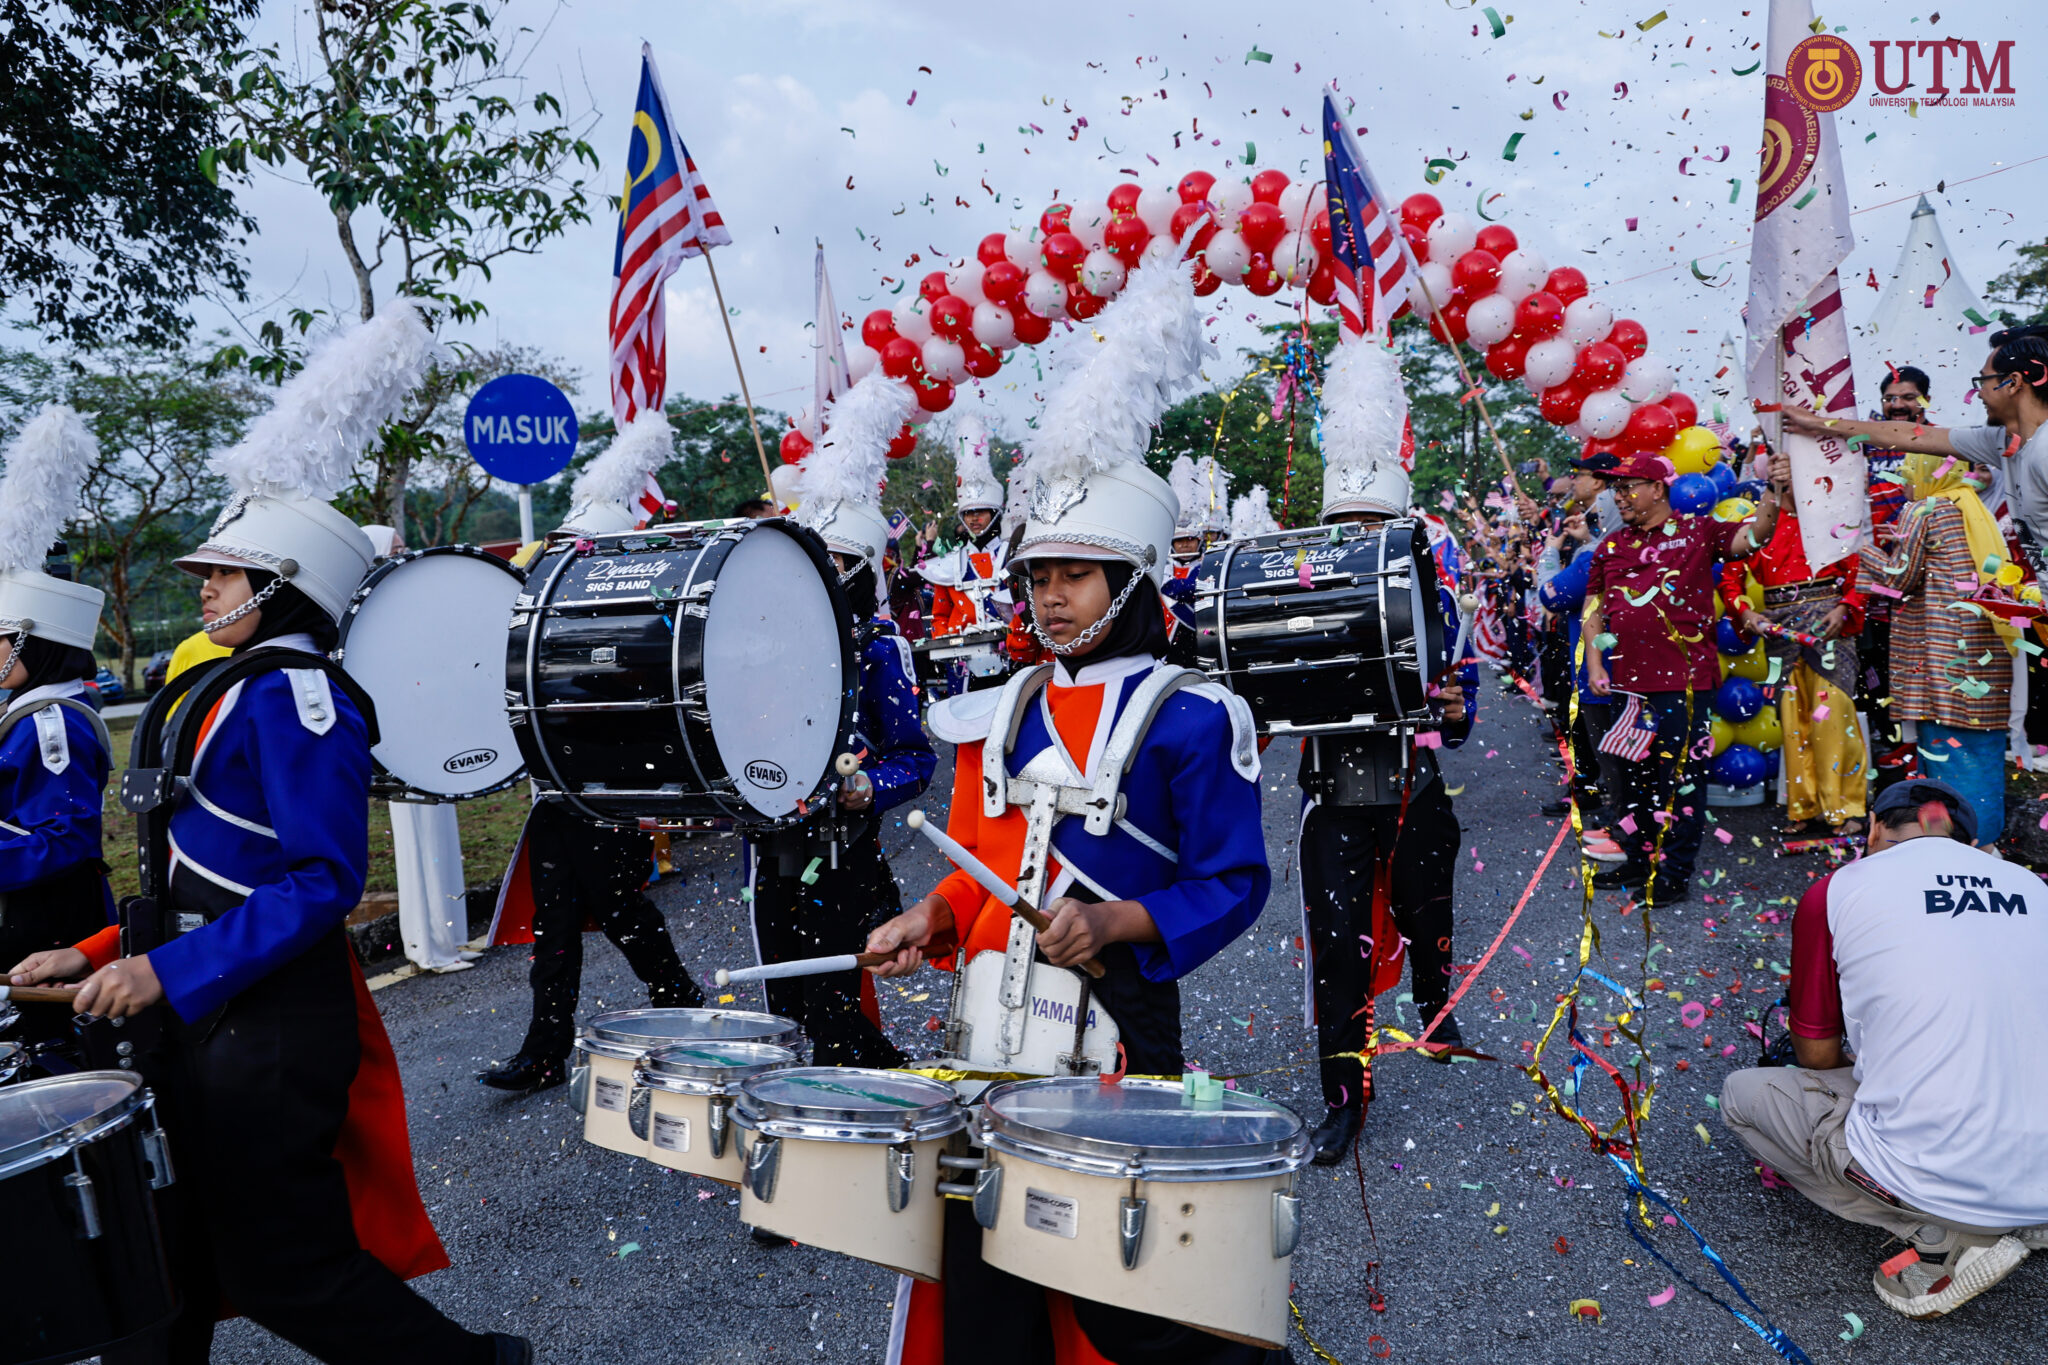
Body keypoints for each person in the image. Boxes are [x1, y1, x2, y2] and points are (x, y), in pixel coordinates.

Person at [9, 303, 527, 1365]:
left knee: (284, 1267)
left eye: (225, 574)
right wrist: (101, 950)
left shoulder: (297, 696)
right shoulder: (235, 686)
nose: (203, 585)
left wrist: (165, 975)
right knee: (172, 1260)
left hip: (267, 1026)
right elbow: (207, 877)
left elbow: (317, 882)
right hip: (211, 1010)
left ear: (281, 587)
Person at [864, 255, 1277, 1365]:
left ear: (1135, 582)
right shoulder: (990, 711)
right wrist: (932, 918)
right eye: (1038, 573)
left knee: (1125, 1288)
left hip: (1118, 1021)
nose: (1049, 593)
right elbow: (980, 859)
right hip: (988, 1026)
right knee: (985, 1271)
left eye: (1078, 576)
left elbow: (1232, 882)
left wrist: (1118, 924)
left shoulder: (1193, 718)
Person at [1719, 779, 2048, 1320]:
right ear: (1970, 844)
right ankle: (2026, 1207)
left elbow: (1818, 1055)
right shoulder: (2031, 886)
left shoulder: (1840, 888)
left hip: (1949, 1173)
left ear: (1874, 827)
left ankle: (1947, 1233)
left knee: (1742, 1096)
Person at [1291, 338, 1478, 1167]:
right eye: (1347, 526)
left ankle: (1436, 1004)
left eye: (1374, 526)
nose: (1359, 538)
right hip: (1332, 792)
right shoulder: (1296, 588)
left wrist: (1448, 705)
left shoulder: (1434, 591)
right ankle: (1343, 1093)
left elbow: (1462, 706)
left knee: (1427, 911)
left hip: (1413, 780)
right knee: (1336, 948)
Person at [480, 410, 702, 1093]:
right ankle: (546, 1046)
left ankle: (680, 1000)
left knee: (621, 909)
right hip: (556, 790)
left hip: (611, 790)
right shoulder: (540, 620)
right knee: (554, 926)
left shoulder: (645, 622)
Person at [748, 372, 936, 1068]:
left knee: (833, 1017)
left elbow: (916, 759)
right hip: (770, 858)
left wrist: (865, 789)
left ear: (859, 570)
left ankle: (895, 1099)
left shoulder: (882, 648)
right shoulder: (758, 650)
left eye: (835, 564)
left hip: (845, 860)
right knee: (788, 1015)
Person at [1582, 447, 1787, 903]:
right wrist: (1596, 664)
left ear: (1658, 489)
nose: (1620, 497)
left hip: (1684, 683)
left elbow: (1755, 537)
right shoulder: (1611, 547)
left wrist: (1773, 489)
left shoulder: (1697, 530)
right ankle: (1637, 862)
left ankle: (1673, 874)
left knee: (1678, 780)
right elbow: (1594, 608)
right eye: (1616, 489)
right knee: (1633, 780)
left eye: (1628, 487)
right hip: (1626, 685)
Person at [0, 407, 118, 996]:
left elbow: (68, 837)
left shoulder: (52, 723)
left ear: (32, 644)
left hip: (50, 920)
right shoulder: (26, 711)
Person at [1854, 454, 2015, 848]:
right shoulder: (1972, 504)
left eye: (1908, 475)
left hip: (1942, 657)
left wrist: (1862, 548)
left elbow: (1901, 577)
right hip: (1982, 653)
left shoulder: (1923, 507)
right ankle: (1987, 847)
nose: (1905, 485)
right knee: (1982, 752)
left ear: (1924, 476)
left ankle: (1953, 848)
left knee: (1946, 755)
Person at [359, 524, 476, 975]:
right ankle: (427, 947)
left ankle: (452, 938)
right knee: (418, 844)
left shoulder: (402, 606)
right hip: (400, 743)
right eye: (396, 548)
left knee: (443, 837)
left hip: (430, 734)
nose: (405, 554)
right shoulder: (369, 613)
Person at [1719, 489, 1870, 837]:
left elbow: (1860, 573)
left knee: (1833, 719)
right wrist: (1746, 612)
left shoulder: (1833, 521)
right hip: (1781, 632)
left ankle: (1847, 807)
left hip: (1829, 627)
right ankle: (1804, 806)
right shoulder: (1757, 529)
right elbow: (1730, 579)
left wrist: (1844, 607)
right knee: (1793, 722)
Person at [919, 415, 1014, 694]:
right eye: (969, 513)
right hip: (962, 663)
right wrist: (947, 643)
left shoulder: (1013, 556)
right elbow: (940, 615)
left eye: (980, 512)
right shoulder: (950, 564)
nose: (974, 519)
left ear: (995, 514)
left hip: (1012, 659)